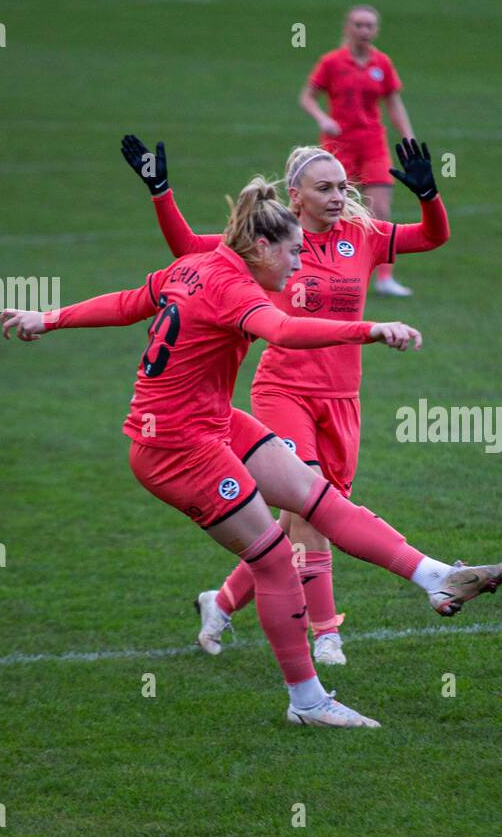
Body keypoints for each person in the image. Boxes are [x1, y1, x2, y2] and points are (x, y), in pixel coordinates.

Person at [0, 178, 502, 729]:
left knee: (318, 500)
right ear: (263, 247)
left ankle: (435, 576)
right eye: (294, 252)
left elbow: (129, 302)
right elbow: (285, 331)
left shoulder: (193, 267)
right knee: (274, 562)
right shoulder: (234, 289)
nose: (299, 265)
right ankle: (308, 702)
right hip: (176, 449)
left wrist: (49, 317)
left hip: (213, 422)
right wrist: (369, 329)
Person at [121, 134, 447, 665]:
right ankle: (327, 635)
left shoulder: (362, 236)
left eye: (344, 186)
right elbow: (187, 249)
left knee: (311, 512)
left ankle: (221, 601)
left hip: (342, 397)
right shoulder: (268, 244)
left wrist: (430, 195)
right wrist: (160, 190)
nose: (340, 196)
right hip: (282, 391)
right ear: (295, 196)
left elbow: (433, 238)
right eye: (326, 188)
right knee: (310, 512)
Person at [299, 3, 415, 296]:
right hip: (338, 147)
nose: (364, 31)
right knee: (333, 210)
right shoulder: (332, 62)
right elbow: (308, 97)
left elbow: (393, 103)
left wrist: (408, 136)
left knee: (380, 208)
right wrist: (324, 118)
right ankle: (332, 268)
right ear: (347, 28)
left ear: (375, 30)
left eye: (369, 26)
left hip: (373, 143)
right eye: (358, 25)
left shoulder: (382, 64)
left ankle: (384, 278)